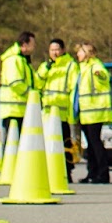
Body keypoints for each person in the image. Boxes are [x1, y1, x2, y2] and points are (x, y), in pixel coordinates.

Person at [33, 37, 77, 179]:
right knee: (47, 142)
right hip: (47, 111)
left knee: (64, 143)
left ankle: (67, 171)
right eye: (52, 50)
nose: (54, 52)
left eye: (57, 49)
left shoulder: (70, 66)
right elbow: (37, 83)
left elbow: (73, 88)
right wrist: (46, 69)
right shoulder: (45, 66)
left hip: (62, 111)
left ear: (63, 50)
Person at [73, 43, 112, 184]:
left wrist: (100, 75)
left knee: (95, 143)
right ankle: (92, 173)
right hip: (86, 113)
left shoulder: (95, 67)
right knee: (90, 144)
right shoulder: (82, 68)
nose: (77, 54)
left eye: (80, 52)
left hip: (95, 113)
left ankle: (103, 174)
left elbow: (104, 77)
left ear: (88, 53)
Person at [0, 31, 36, 151]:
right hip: (14, 109)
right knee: (12, 144)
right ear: (24, 44)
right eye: (32, 44)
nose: (34, 47)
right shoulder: (14, 60)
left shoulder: (23, 60)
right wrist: (32, 95)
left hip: (19, 109)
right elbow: (16, 83)